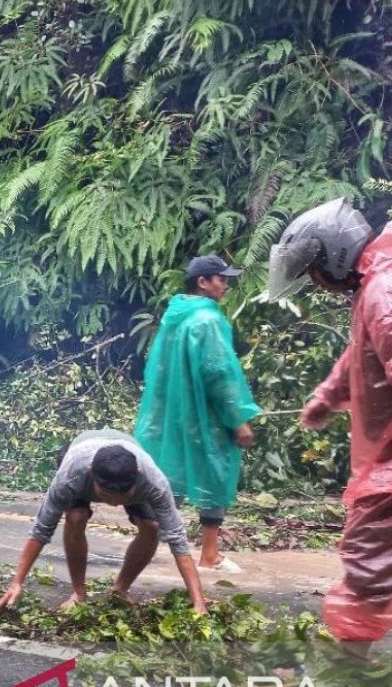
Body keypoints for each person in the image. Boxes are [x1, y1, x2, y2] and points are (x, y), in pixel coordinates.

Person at [270, 197, 391, 657]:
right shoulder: (375, 286)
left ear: (333, 256)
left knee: (366, 563)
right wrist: (326, 397)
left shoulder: (382, 291)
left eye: (314, 272)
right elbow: (360, 355)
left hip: (387, 470)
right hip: (382, 460)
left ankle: (349, 676)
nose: (317, 284)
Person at [134, 254, 262, 572]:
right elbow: (218, 372)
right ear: (202, 282)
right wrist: (237, 418)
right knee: (215, 474)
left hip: (173, 412)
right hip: (206, 413)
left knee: (169, 472)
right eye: (221, 278)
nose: (226, 284)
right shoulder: (207, 319)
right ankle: (209, 553)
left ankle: (150, 540)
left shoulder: (173, 318)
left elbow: (158, 368)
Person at [0, 430, 208, 615]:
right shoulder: (70, 476)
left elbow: (178, 541)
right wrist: (16, 583)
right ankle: (79, 592)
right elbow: (41, 530)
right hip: (83, 447)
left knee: (151, 527)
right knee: (75, 518)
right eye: (106, 494)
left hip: (126, 451)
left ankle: (120, 590)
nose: (113, 503)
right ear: (91, 474)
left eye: (122, 496)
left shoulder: (154, 482)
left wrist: (198, 603)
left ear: (138, 476)